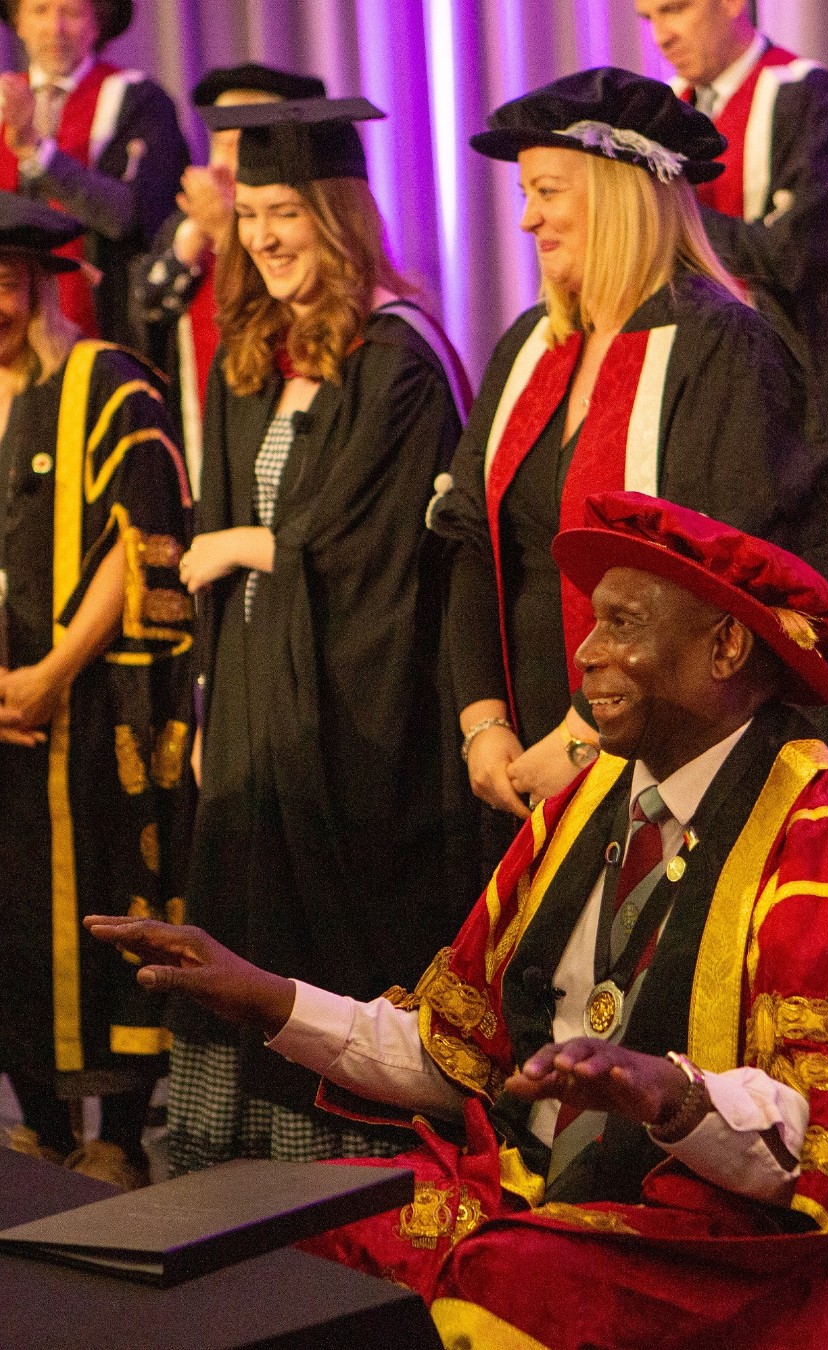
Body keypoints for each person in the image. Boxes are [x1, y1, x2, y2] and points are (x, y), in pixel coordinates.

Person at [88, 491, 828, 1350]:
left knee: (496, 1286)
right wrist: (271, 998)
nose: (583, 652)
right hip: (533, 1190)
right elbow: (457, 1053)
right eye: (593, 620)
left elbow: (816, 1145)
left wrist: (669, 1093)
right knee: (284, 1232)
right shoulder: (582, 808)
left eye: (622, 623)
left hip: (726, 1248)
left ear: (728, 645)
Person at [431, 66, 828, 873]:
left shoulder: (725, 351)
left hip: (682, 773)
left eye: (548, 191)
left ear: (613, 192)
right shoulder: (530, 348)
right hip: (524, 762)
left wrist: (578, 738)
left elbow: (707, 584)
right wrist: (482, 721)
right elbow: (470, 537)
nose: (528, 216)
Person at [169, 95, 474, 1176]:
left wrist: (254, 551)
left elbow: (377, 557)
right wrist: (214, 701)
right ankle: (232, 1161)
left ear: (337, 213)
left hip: (358, 718)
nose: (261, 236)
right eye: (248, 213)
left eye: (284, 210)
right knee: (242, 909)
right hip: (257, 700)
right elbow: (218, 526)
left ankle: (339, 1173)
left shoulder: (398, 356)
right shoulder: (250, 349)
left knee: (326, 936)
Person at [636, 0, 828, 660]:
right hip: (713, 421)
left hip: (824, 423)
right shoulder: (667, 122)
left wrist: (665, 210)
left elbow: (796, 255)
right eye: (648, 16)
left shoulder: (812, 102)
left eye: (676, 9)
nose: (663, 33)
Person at [0, 193, 192, 1189]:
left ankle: (115, 1135)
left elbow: (145, 539)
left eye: (3, 280)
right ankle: (32, 1124)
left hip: (92, 708)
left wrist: (48, 675)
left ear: (36, 282)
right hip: (4, 717)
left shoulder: (110, 383)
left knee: (109, 903)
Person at [137, 63, 327, 496]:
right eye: (219, 142)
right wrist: (193, 238)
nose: (226, 160)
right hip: (199, 429)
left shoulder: (310, 229)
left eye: (242, 143)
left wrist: (230, 233)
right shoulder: (186, 225)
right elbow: (146, 310)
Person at [0, 0, 189, 346]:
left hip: (110, 325)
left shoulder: (139, 101)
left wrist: (35, 151)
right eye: (40, 10)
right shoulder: (4, 100)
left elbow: (127, 216)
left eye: (70, 12)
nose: (54, 28)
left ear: (97, 23)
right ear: (18, 22)